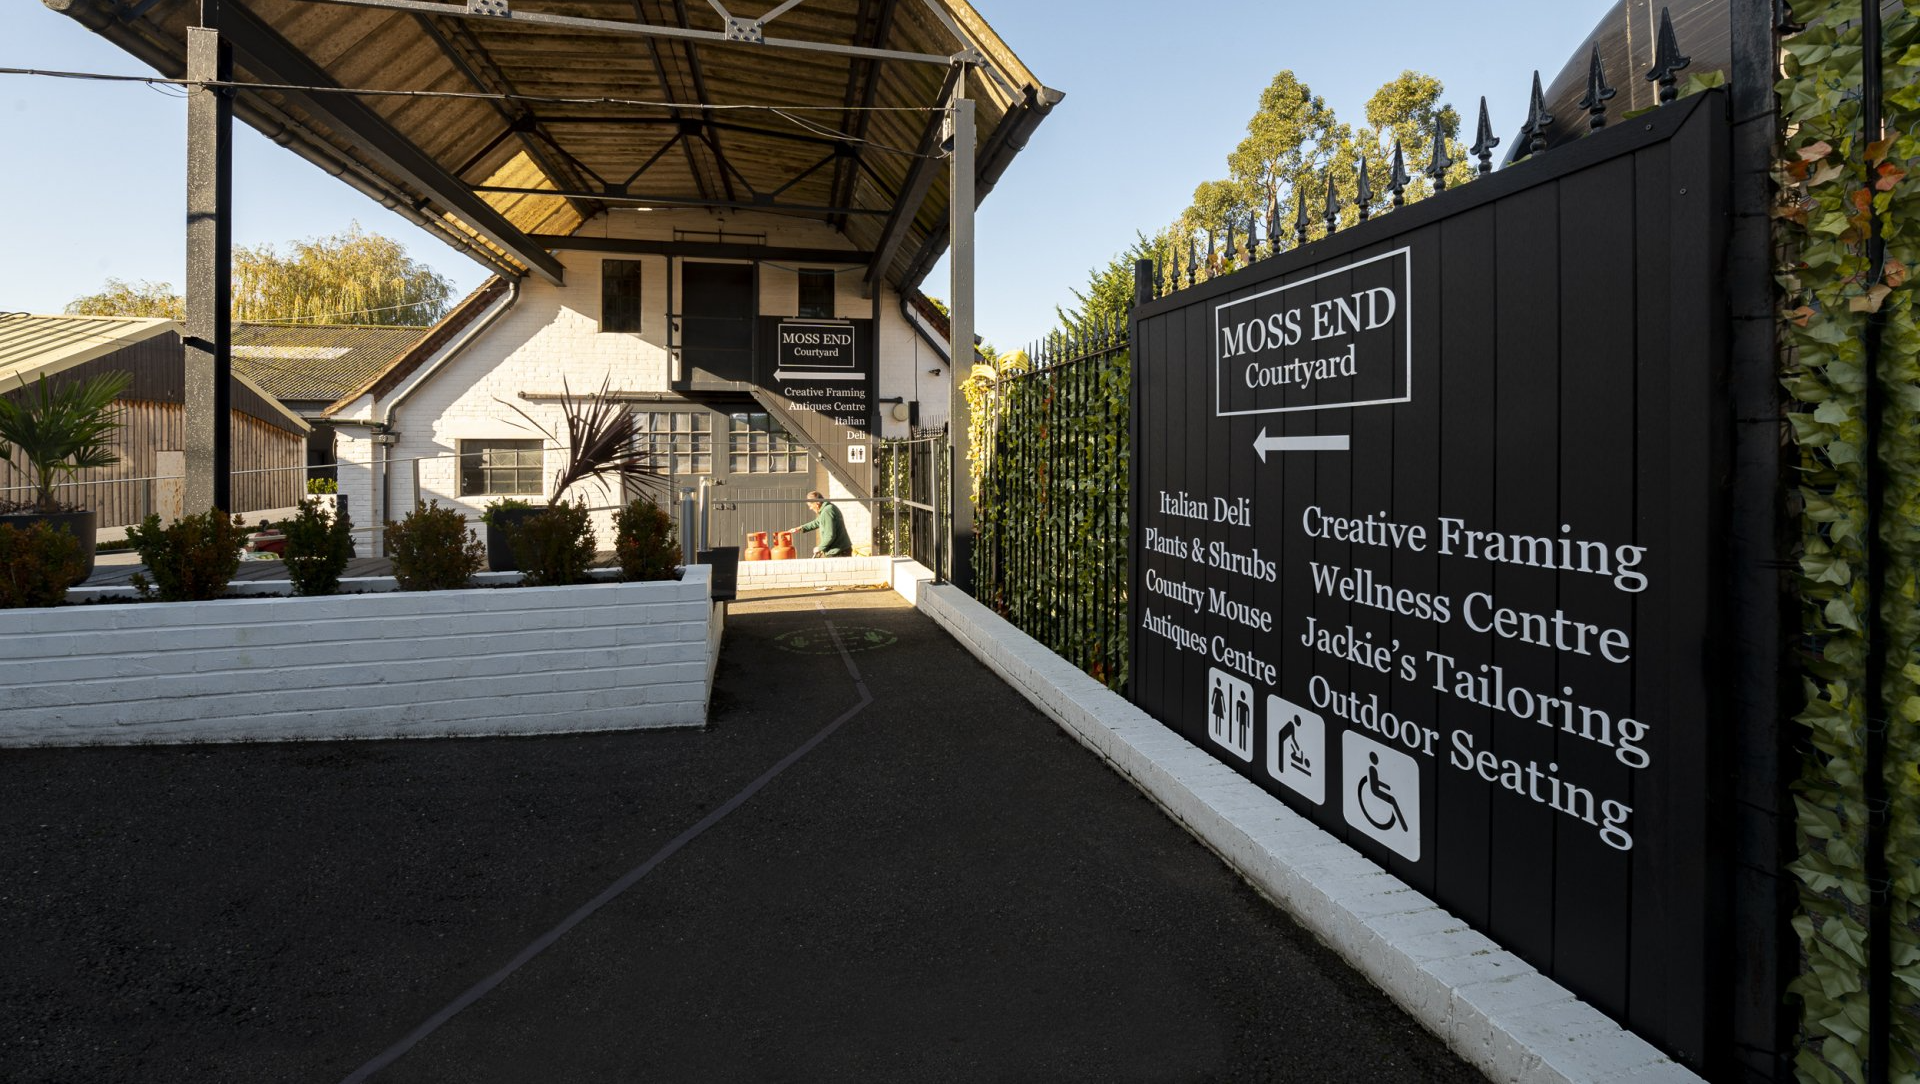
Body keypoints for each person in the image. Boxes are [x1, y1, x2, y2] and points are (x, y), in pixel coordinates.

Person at [791, 490, 851, 557]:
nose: (810, 508)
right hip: (840, 550)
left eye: (810, 505)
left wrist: (820, 547)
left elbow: (830, 535)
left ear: (817, 503)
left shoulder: (827, 511)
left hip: (838, 552)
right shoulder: (828, 508)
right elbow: (817, 522)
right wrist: (801, 528)